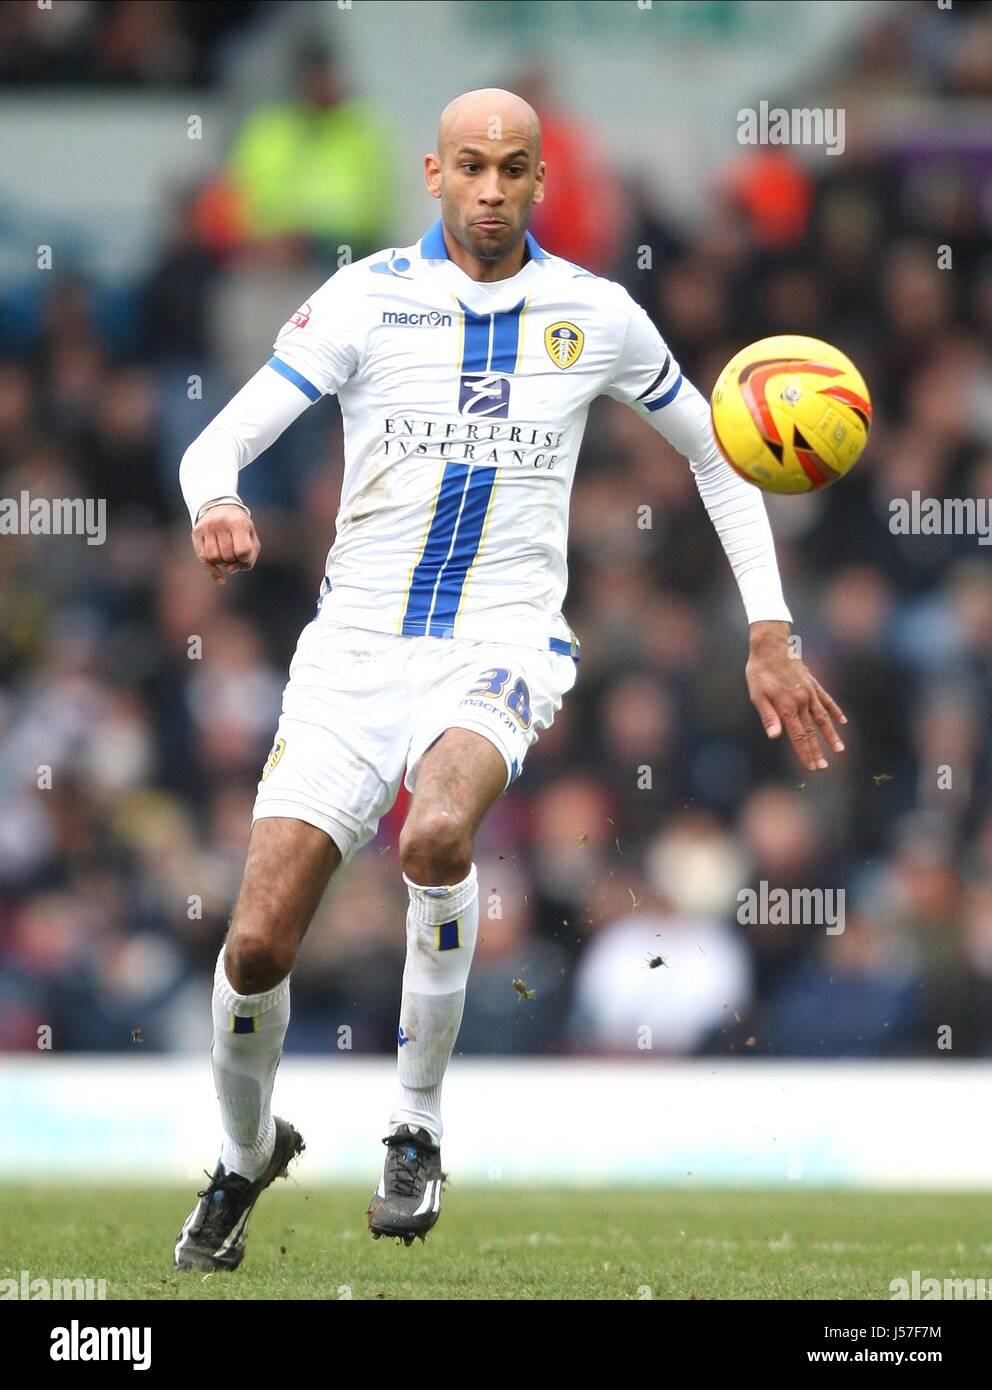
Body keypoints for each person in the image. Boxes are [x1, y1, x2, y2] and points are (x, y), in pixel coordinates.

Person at [173, 88, 847, 1271]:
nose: (491, 189)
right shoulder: (364, 299)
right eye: (471, 167)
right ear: (432, 173)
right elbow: (214, 441)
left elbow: (720, 456)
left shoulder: (596, 313)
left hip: (502, 640)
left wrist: (769, 629)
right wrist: (218, 501)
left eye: (514, 169)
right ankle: (241, 1155)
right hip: (353, 653)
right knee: (255, 951)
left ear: (541, 181)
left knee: (436, 836)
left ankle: (414, 1126)